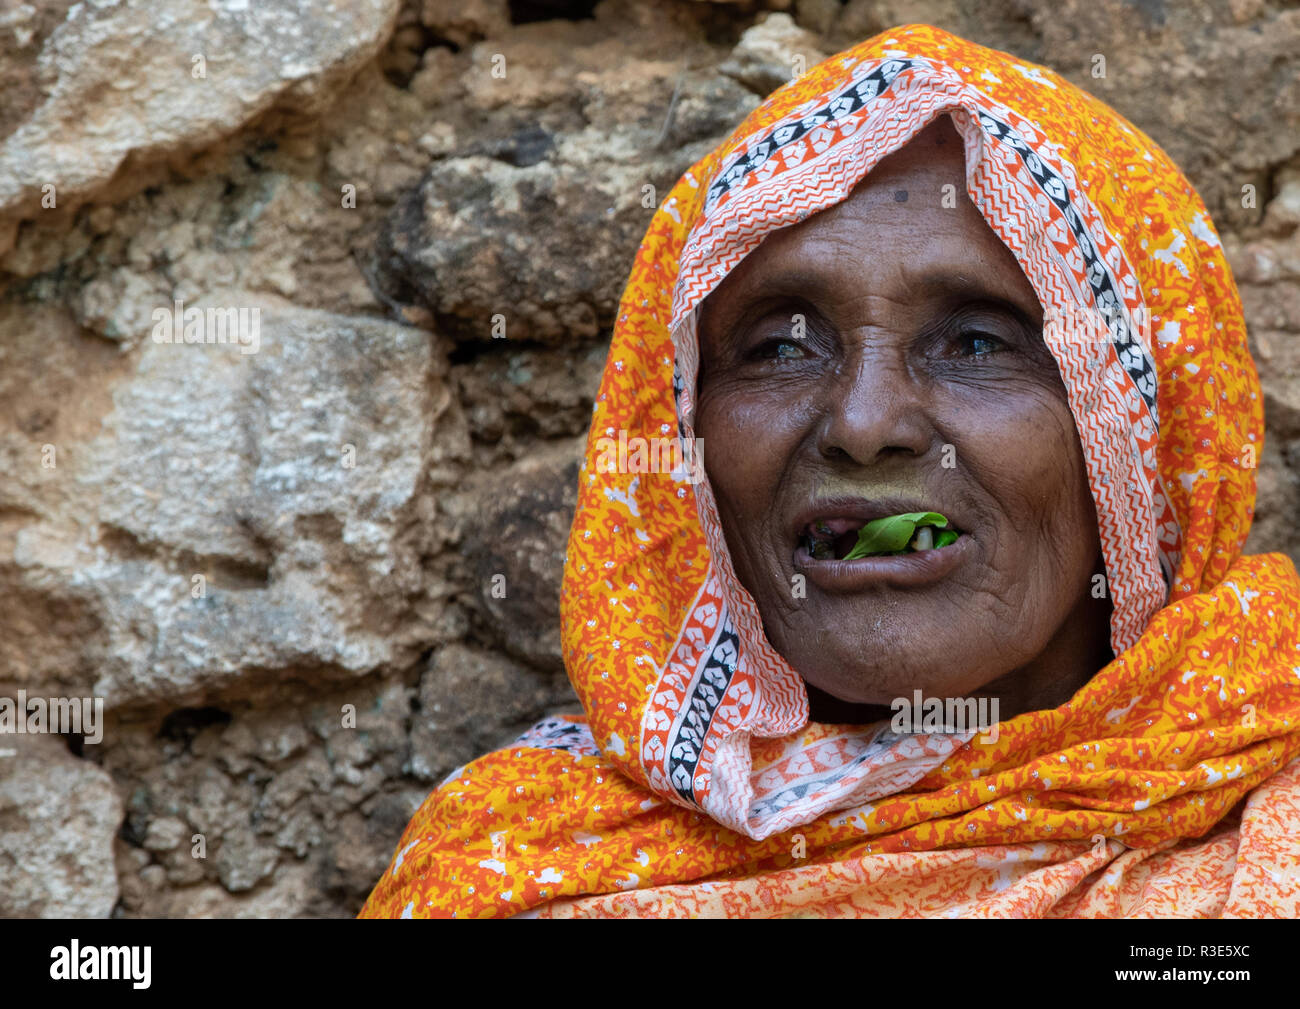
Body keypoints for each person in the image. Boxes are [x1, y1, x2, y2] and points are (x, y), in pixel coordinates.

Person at [359, 23, 1300, 918]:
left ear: (1148, 439)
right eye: (779, 348)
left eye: (976, 341)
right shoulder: (518, 870)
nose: (862, 423)